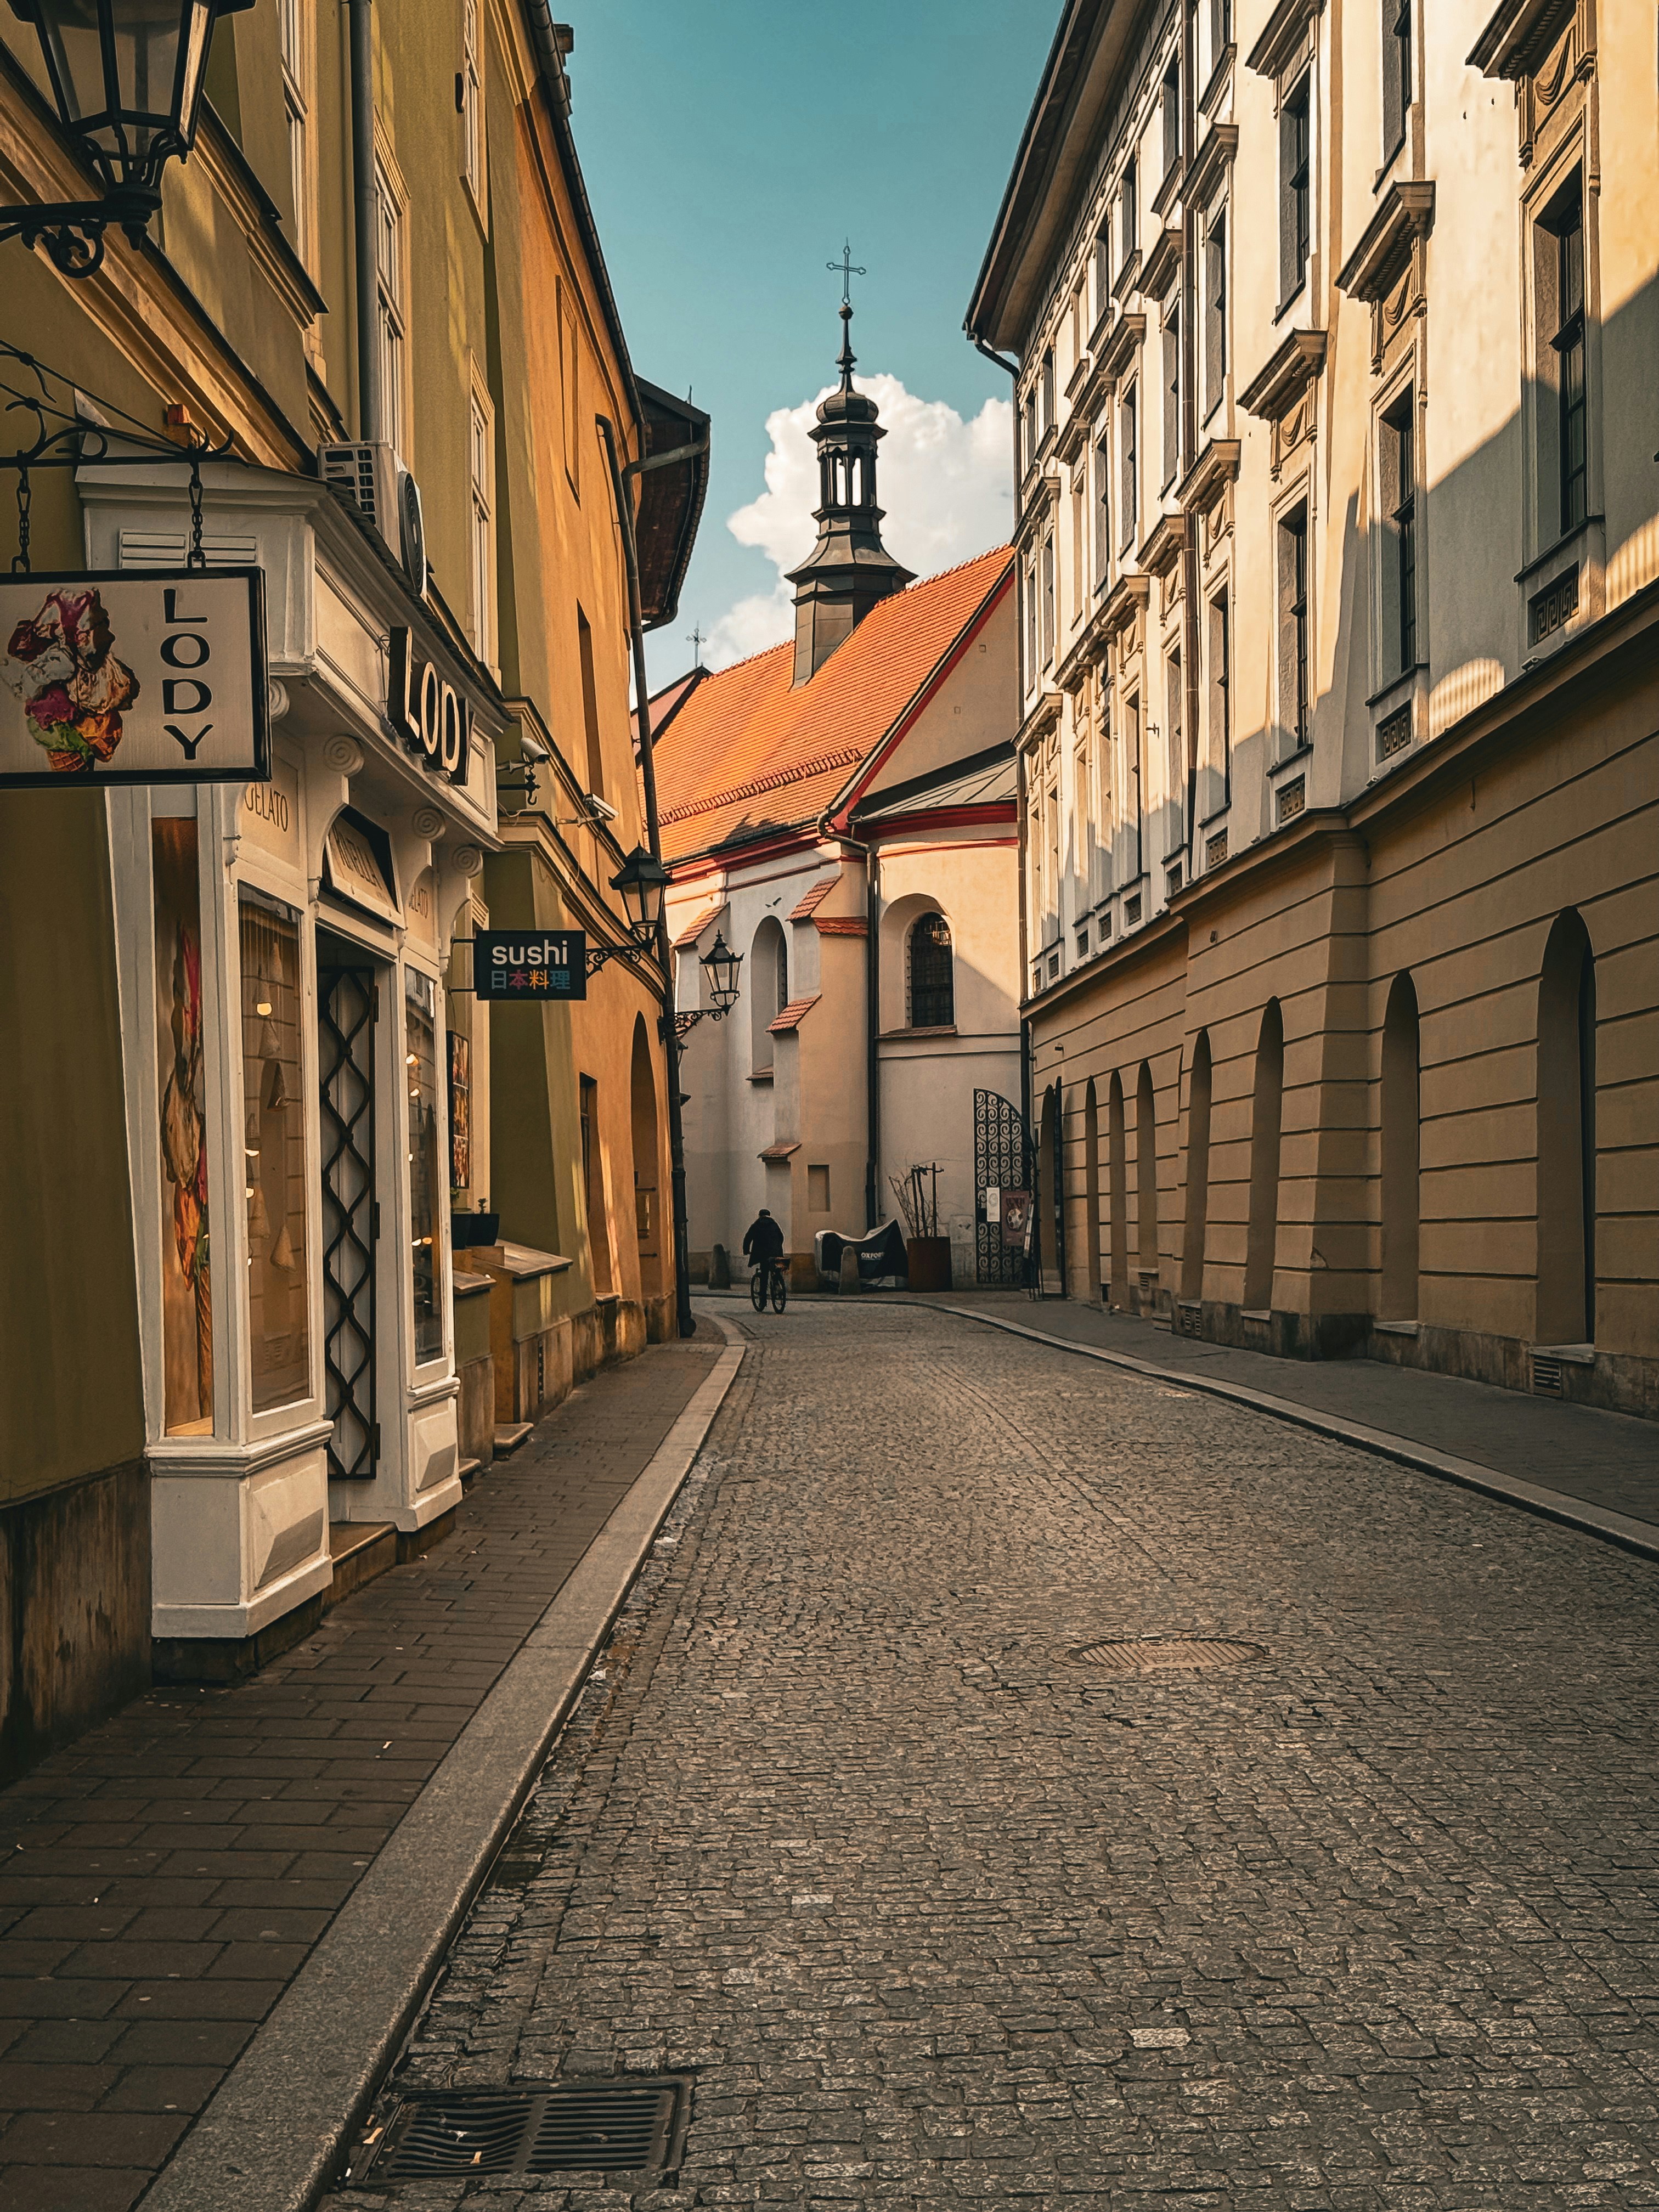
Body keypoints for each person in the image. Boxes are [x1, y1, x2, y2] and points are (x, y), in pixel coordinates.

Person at [742, 1208, 785, 1274]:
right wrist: (778, 1247)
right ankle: (777, 1281)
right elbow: (781, 1237)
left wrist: (746, 1250)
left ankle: (764, 1284)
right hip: (775, 1252)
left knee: (764, 1270)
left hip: (761, 1253)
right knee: (776, 1267)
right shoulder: (775, 1225)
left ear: (760, 1215)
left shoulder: (756, 1225)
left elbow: (748, 1238)